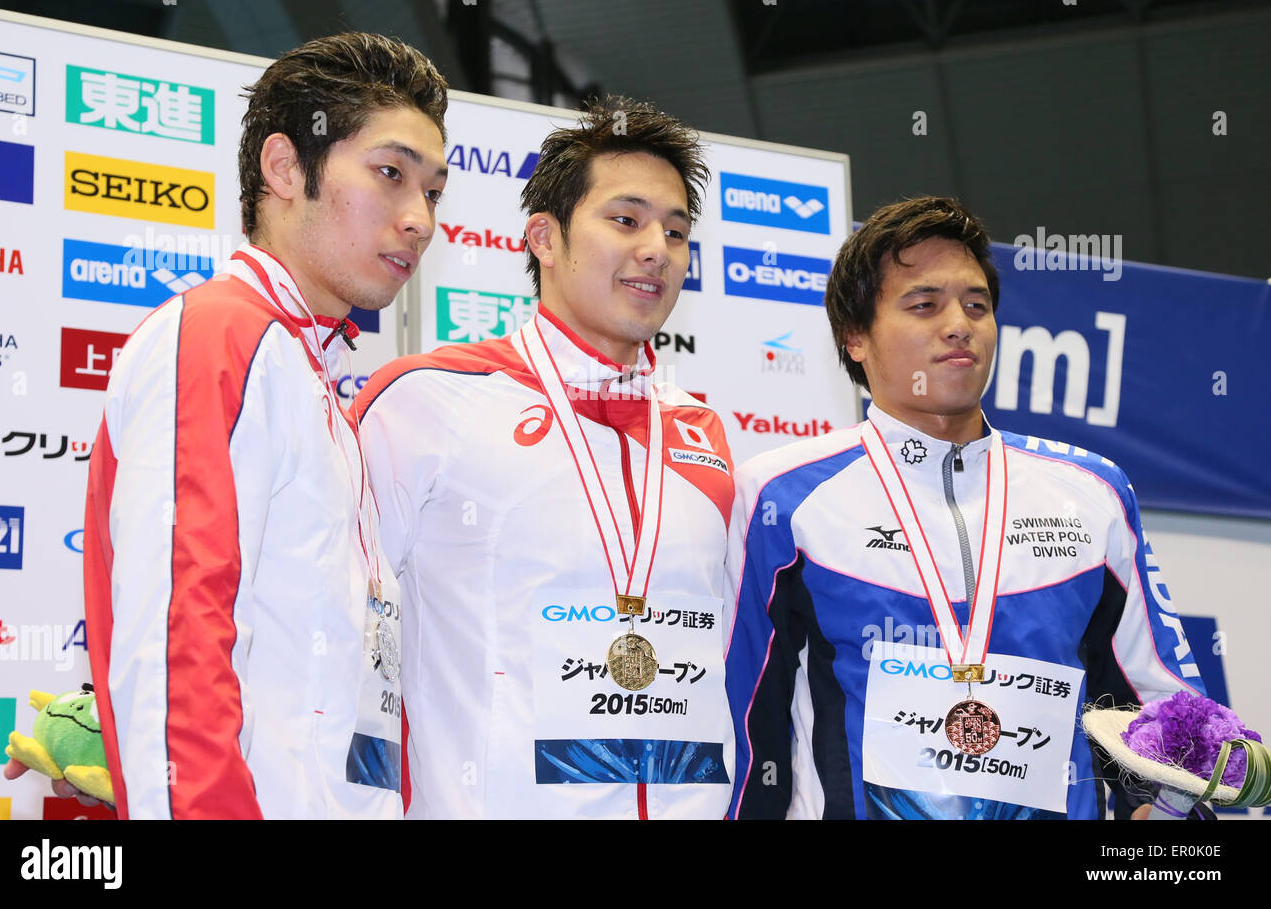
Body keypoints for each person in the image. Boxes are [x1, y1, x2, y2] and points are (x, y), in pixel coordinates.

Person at [7, 32, 450, 818]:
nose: (418, 219)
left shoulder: (309, 374)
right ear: (285, 168)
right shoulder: (222, 335)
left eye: (433, 191)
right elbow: (179, 641)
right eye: (390, 174)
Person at [723, 195, 1206, 820]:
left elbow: (1159, 706)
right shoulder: (782, 496)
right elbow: (747, 723)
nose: (960, 324)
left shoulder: (1092, 491)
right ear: (855, 337)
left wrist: (1167, 817)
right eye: (924, 305)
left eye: (976, 304)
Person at [354, 97, 735, 818]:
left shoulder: (702, 433)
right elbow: (347, 636)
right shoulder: (429, 400)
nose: (657, 247)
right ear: (545, 238)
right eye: (626, 220)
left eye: (676, 230)